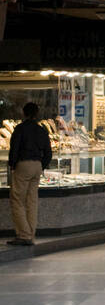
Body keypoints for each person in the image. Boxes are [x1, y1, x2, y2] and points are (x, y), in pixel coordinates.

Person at [6, 102, 52, 246]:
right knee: (32, 201)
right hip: (37, 166)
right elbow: (48, 153)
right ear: (37, 114)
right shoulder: (41, 130)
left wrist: (13, 165)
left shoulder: (20, 129)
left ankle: (24, 235)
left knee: (17, 200)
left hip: (23, 164)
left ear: (23, 113)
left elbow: (14, 149)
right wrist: (41, 165)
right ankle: (31, 235)